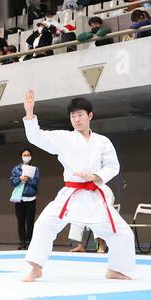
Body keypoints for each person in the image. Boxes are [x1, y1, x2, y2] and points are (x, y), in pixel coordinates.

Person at [20, 93, 135, 282]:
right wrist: (30, 113)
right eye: (72, 116)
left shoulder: (102, 141)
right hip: (71, 195)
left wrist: (95, 176)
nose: (76, 119)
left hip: (95, 196)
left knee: (123, 233)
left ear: (90, 116)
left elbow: (113, 166)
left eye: (80, 115)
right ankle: (36, 267)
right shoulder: (64, 138)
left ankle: (115, 269)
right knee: (43, 224)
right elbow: (36, 136)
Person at [10, 148, 39, 249]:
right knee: (21, 221)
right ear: (21, 156)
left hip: (31, 198)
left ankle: (30, 242)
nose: (26, 156)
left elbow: (35, 183)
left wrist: (28, 179)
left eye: (28, 154)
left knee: (30, 221)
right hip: (19, 198)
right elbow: (12, 182)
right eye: (24, 155)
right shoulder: (16, 169)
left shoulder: (35, 169)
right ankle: (22, 242)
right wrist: (20, 179)